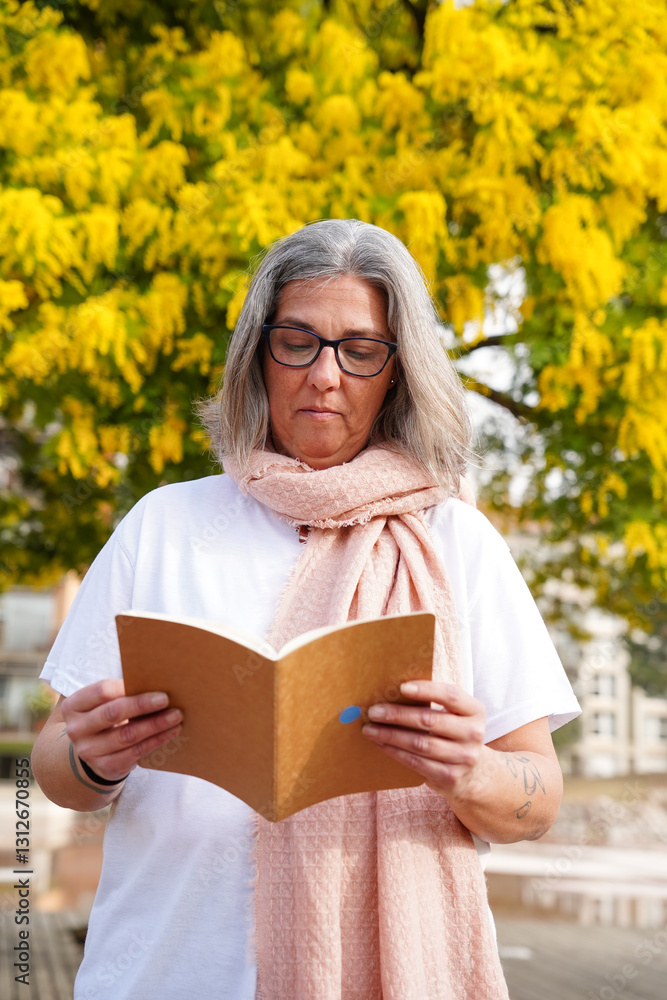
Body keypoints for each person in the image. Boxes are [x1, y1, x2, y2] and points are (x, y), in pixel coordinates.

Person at [33, 219, 580, 1000]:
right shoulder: (163, 524)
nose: (325, 376)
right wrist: (92, 757)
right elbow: (54, 766)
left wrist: (470, 768)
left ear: (396, 372)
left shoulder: (458, 543)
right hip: (163, 971)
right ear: (257, 354)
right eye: (298, 341)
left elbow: (537, 801)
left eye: (359, 350)